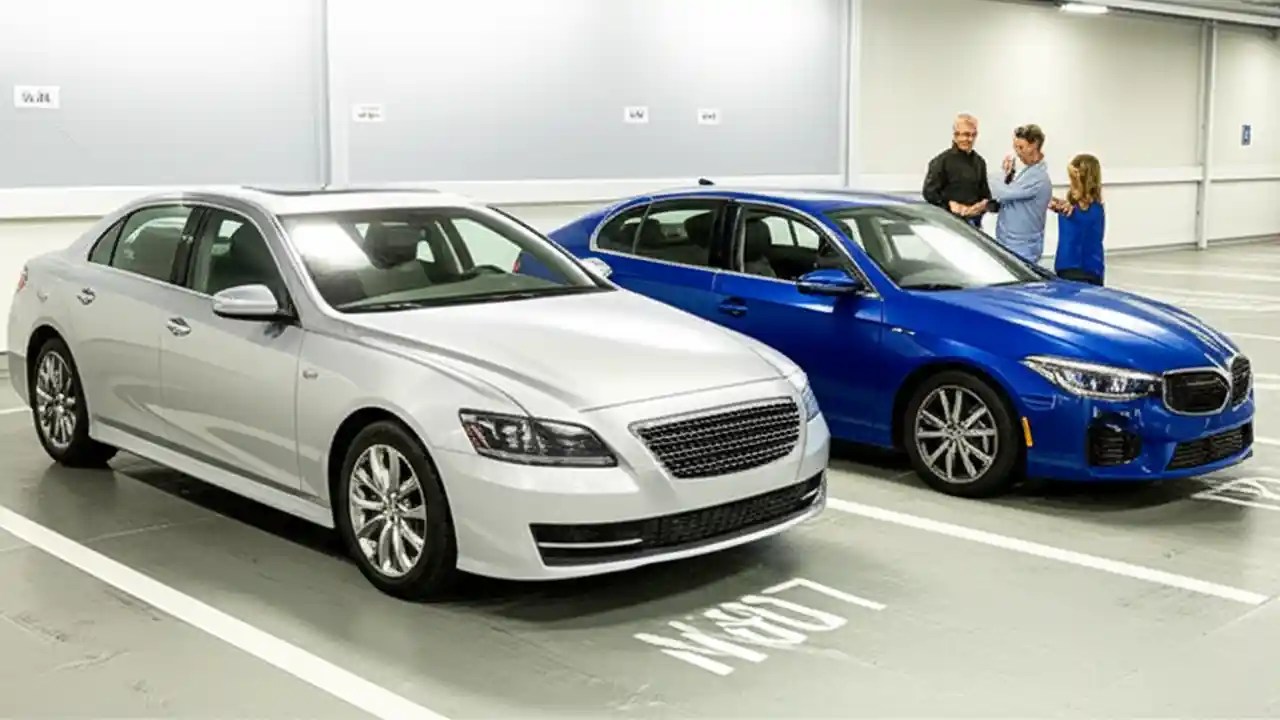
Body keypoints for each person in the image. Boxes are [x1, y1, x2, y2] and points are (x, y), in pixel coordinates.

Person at [989, 123, 1053, 264]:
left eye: (1021, 147)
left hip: (1022, 248)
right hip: (1009, 244)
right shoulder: (1025, 173)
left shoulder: (1038, 176)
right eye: (1015, 147)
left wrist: (1000, 174)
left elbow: (1004, 192)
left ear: (1034, 145)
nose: (1017, 152)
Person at [922, 113, 995, 228]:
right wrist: (951, 205)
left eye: (973, 135)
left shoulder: (979, 162)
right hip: (948, 225)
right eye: (966, 135)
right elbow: (929, 193)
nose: (969, 139)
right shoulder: (941, 161)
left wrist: (982, 206)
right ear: (956, 136)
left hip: (974, 224)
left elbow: (985, 194)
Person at [1049, 153, 1106, 285]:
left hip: (1080, 269)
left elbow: (1082, 216)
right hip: (1077, 267)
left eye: (1073, 180)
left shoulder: (1088, 209)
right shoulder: (1077, 207)